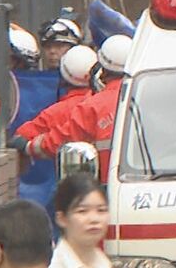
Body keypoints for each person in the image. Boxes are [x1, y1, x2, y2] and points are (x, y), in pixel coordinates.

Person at [13, 34, 132, 183]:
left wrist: (30, 147)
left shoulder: (93, 106)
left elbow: (62, 138)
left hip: (106, 186)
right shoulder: (146, 97)